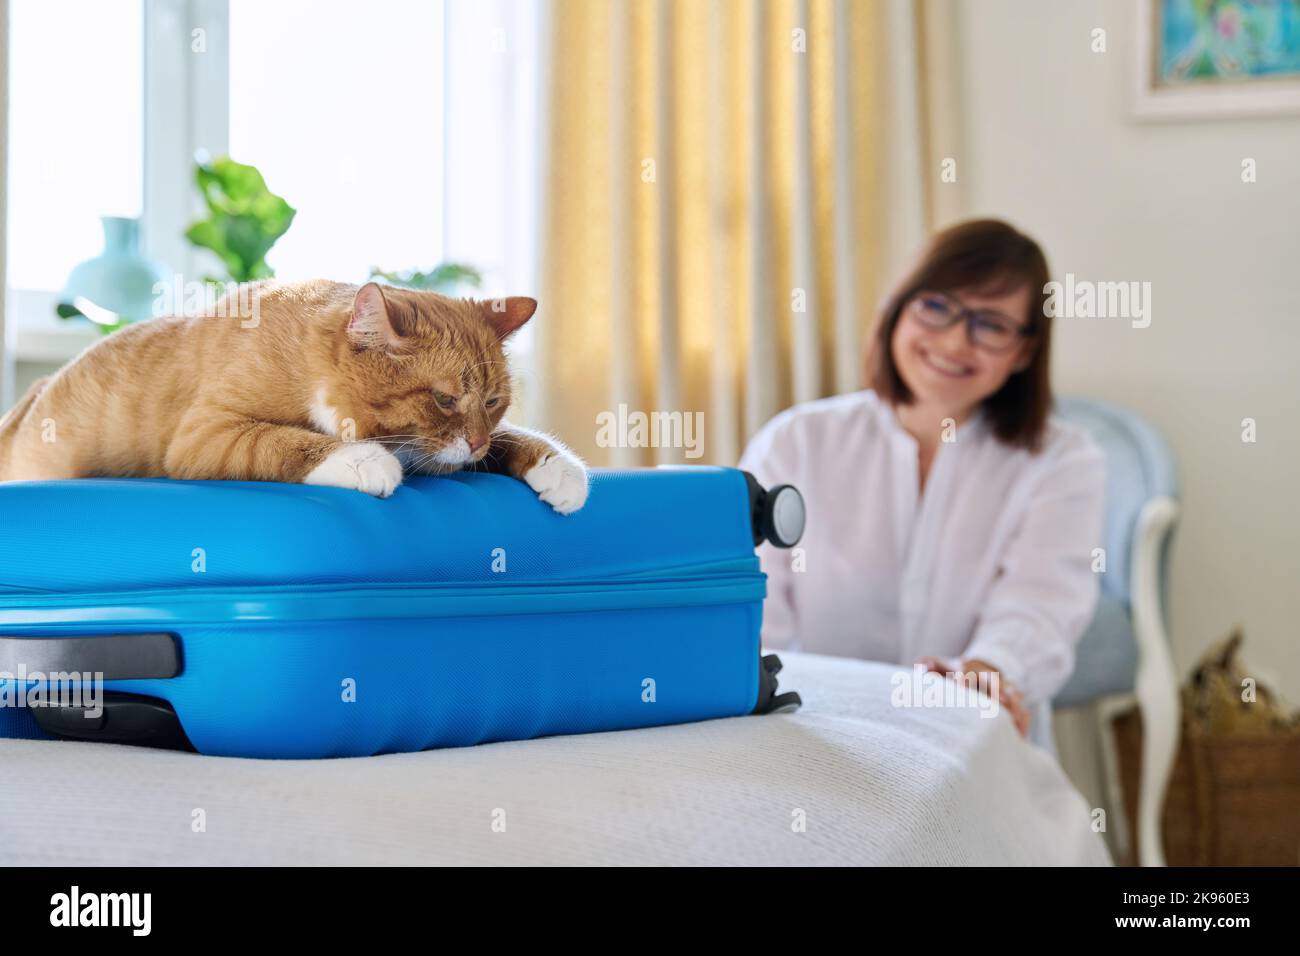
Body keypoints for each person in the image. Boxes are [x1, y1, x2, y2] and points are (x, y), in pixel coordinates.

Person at [739, 219, 1106, 748]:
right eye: (936, 307)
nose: (956, 340)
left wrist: (986, 672)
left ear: (1025, 351)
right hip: (812, 738)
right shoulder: (796, 440)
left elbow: (1040, 608)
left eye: (992, 324)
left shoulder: (1063, 461)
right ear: (897, 309)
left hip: (970, 738)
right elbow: (753, 608)